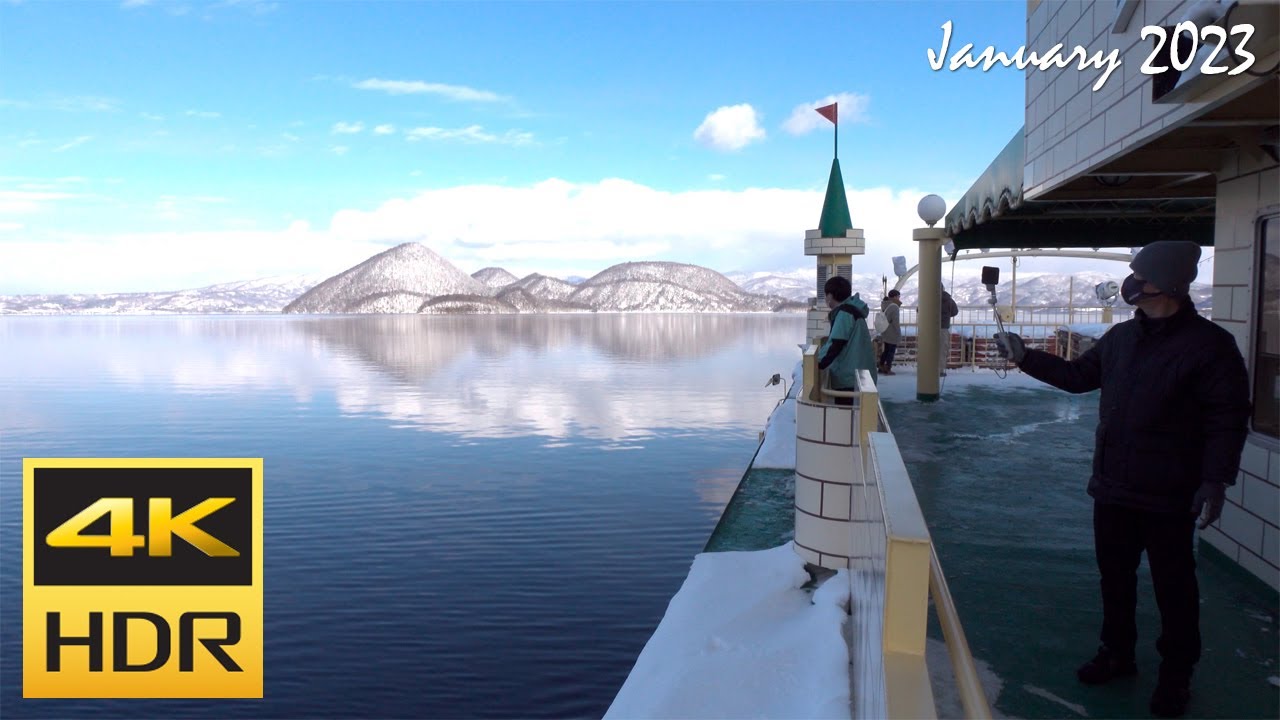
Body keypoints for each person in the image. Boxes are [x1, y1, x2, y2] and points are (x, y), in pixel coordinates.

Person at [994, 240, 1251, 718]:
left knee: (1175, 587)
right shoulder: (1120, 339)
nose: (1132, 283)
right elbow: (1076, 377)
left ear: (1171, 284)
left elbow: (1227, 418)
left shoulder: (1210, 347)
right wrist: (1025, 357)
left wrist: (1215, 481)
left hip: (1170, 492)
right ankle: (1117, 652)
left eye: (1142, 275)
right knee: (1115, 577)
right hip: (1113, 485)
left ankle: (1176, 674)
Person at [818, 275, 877, 405]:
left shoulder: (844, 313)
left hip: (849, 378)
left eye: (826, 295)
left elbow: (836, 343)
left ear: (830, 296)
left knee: (849, 419)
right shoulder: (853, 311)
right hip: (860, 375)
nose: (826, 299)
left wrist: (817, 362)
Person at [878, 289, 902, 375]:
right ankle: (888, 368)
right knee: (891, 351)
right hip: (892, 332)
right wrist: (898, 332)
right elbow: (895, 322)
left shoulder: (885, 305)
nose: (899, 299)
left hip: (885, 331)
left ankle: (881, 366)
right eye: (898, 296)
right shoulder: (894, 307)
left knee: (886, 350)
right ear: (895, 297)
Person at [940, 284, 959, 375]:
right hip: (943, 327)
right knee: (942, 350)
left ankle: (927, 369)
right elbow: (955, 311)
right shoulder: (948, 299)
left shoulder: (926, 297)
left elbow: (919, 310)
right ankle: (940, 370)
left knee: (927, 349)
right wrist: (946, 316)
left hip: (928, 328)